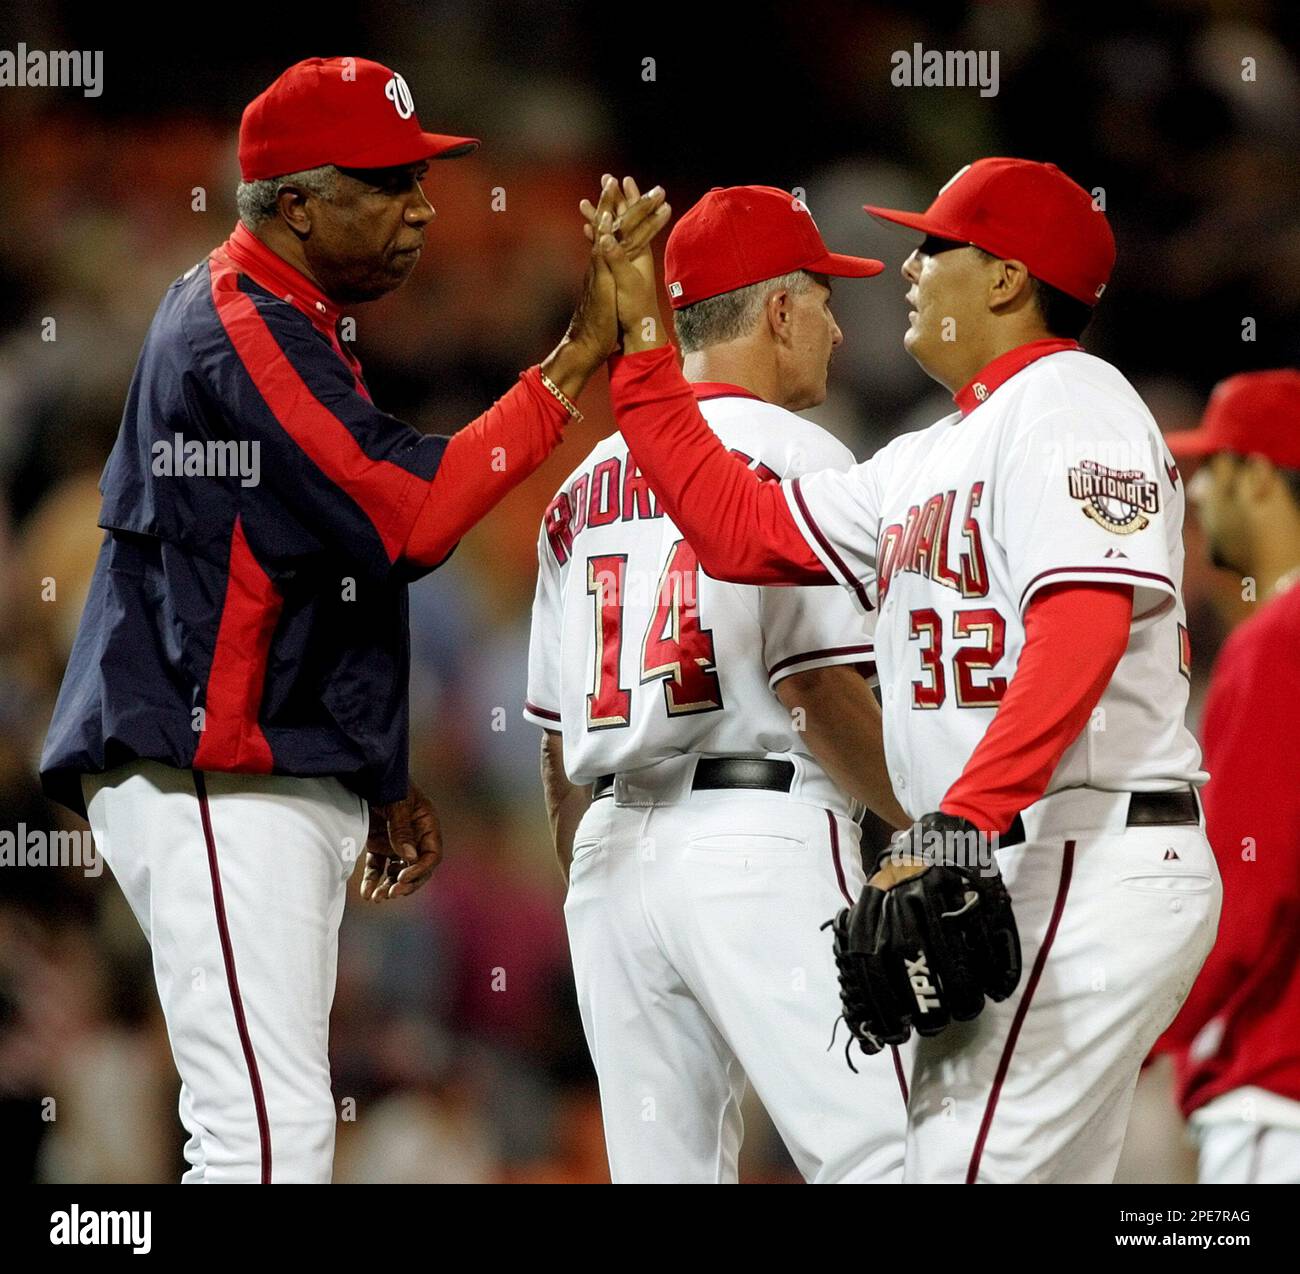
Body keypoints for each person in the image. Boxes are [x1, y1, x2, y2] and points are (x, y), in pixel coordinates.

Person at [38, 56, 668, 1184]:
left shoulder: (296, 323)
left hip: (251, 770)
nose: (422, 205)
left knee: (273, 1138)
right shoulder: (233, 328)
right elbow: (409, 517)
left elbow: (316, 567)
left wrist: (373, 770)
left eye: (419, 178)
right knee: (261, 1142)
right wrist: (579, 352)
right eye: (385, 182)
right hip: (209, 776)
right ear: (292, 204)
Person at [593, 158, 1221, 1183]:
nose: (908, 267)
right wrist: (647, 353)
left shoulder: (1075, 402)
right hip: (1024, 847)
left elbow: (1079, 629)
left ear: (1009, 280)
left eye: (936, 246)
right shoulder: (923, 455)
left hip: (1083, 843)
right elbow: (739, 529)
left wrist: (961, 819)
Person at [526, 184, 910, 1184]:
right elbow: (817, 692)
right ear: (778, 312)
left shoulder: (578, 484)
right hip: (758, 829)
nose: (835, 322)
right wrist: (925, 824)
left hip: (609, 857)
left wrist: (607, 868)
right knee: (883, 1149)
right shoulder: (800, 456)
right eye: (822, 297)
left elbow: (556, 741)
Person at [1155, 369, 1300, 1183]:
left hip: (1277, 1092)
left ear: (1258, 474)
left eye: (1212, 469)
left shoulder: (1278, 638)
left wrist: (1138, 1033)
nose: (1198, 493)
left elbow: (1248, 894)